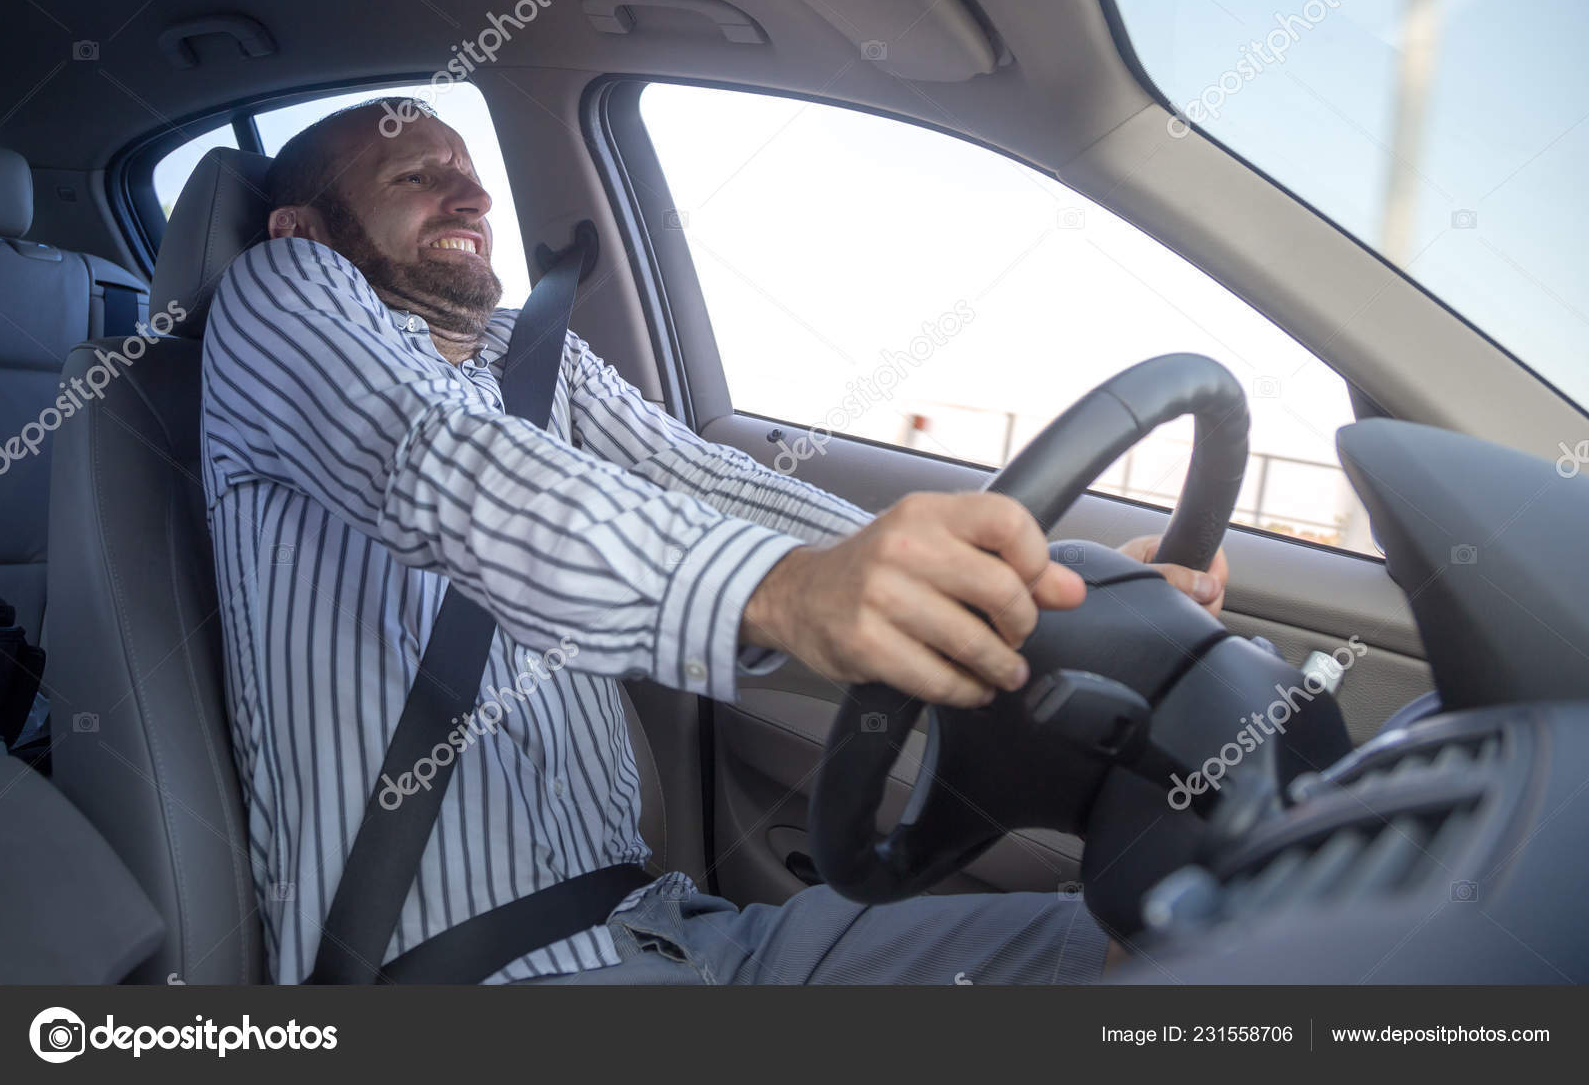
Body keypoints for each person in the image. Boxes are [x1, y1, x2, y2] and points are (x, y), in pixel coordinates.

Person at [200, 97, 1229, 985]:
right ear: (304, 226)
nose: (469, 198)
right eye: (417, 177)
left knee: (1172, 944)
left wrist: (1028, 590)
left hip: (679, 934)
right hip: (467, 978)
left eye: (471, 177)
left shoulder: (529, 355)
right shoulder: (282, 291)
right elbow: (433, 459)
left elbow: (707, 481)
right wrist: (778, 594)